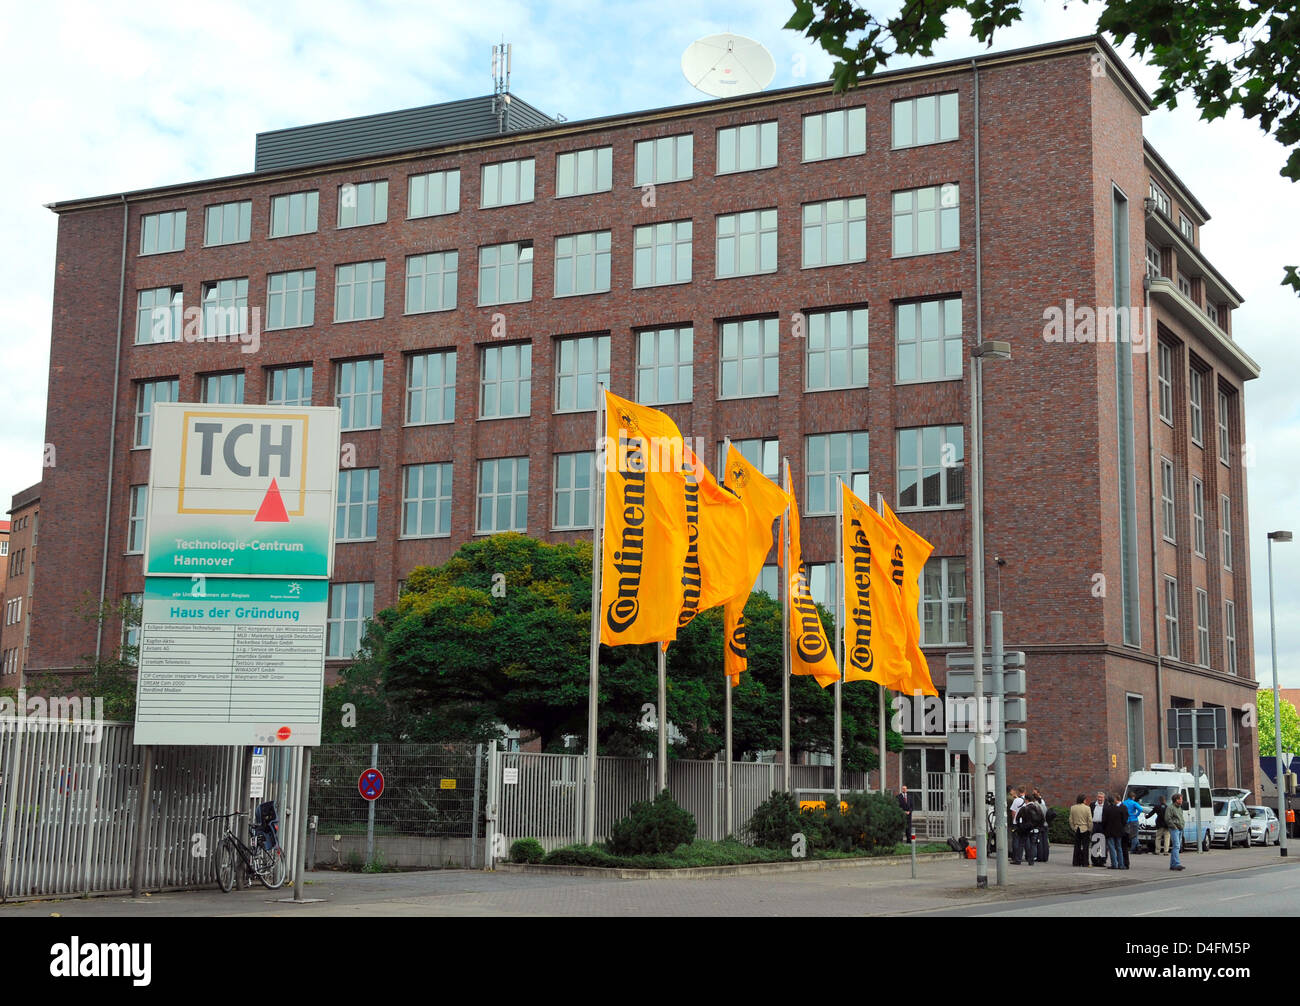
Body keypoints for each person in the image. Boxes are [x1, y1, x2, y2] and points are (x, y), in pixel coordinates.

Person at [1103, 794, 1128, 869]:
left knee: (1112, 847)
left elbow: (1104, 821)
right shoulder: (1122, 808)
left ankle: (1114, 864)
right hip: (1119, 830)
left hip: (1110, 831)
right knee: (1119, 847)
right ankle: (1121, 864)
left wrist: (1105, 828)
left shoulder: (1107, 809)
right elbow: (1124, 821)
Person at [1018, 792, 1044, 865]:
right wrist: (1039, 828)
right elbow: (1042, 819)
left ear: (1026, 800)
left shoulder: (1024, 808)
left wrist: (1020, 826)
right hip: (1035, 829)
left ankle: (1018, 859)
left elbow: (1017, 818)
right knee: (1033, 845)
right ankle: (1031, 861)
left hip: (1026, 829)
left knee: (1021, 844)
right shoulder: (1038, 807)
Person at [1069, 794, 1092, 867]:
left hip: (1077, 828)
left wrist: (1073, 827)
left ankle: (1076, 862)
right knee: (1085, 846)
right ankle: (1085, 862)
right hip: (1085, 828)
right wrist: (1090, 828)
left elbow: (1070, 819)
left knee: (1077, 846)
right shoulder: (1087, 808)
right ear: (1083, 800)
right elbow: (1090, 820)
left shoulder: (1073, 808)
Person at [1166, 793, 1186, 871]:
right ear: (1177, 800)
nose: (1182, 800)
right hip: (1175, 829)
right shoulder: (1170, 808)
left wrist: (1182, 826)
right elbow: (1168, 818)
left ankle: (1173, 865)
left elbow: (1181, 817)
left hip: (1180, 828)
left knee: (1176, 846)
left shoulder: (1179, 808)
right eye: (1181, 799)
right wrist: (1174, 826)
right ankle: (1176, 864)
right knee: (1177, 846)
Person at [1121, 791, 1143, 859]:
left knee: (1127, 834)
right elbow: (1140, 809)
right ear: (1133, 797)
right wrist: (1136, 814)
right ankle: (1133, 849)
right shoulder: (1134, 803)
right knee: (1134, 835)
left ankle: (1137, 845)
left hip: (1126, 820)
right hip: (1133, 820)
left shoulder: (1124, 803)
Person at [1033, 788, 1051, 863]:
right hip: (1045, 824)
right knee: (1045, 841)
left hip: (1040, 824)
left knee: (1039, 841)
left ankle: (1040, 857)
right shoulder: (1043, 804)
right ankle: (1045, 856)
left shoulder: (1036, 805)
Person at [1090, 790, 1108, 867]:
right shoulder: (1093, 805)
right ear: (1097, 797)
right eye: (1099, 797)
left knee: (1102, 843)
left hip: (1102, 825)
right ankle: (1094, 860)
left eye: (1101, 797)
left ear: (1104, 798)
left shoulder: (1106, 805)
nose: (1100, 799)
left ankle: (1102, 861)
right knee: (1094, 843)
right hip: (1094, 825)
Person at [1009, 787, 1027, 864]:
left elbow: (1013, 812)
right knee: (1022, 842)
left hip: (1016, 823)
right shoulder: (1027, 800)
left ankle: (1015, 858)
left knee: (1016, 841)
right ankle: (1021, 857)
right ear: (1025, 791)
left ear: (1018, 791)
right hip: (1024, 823)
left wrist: (1014, 819)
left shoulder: (1016, 800)